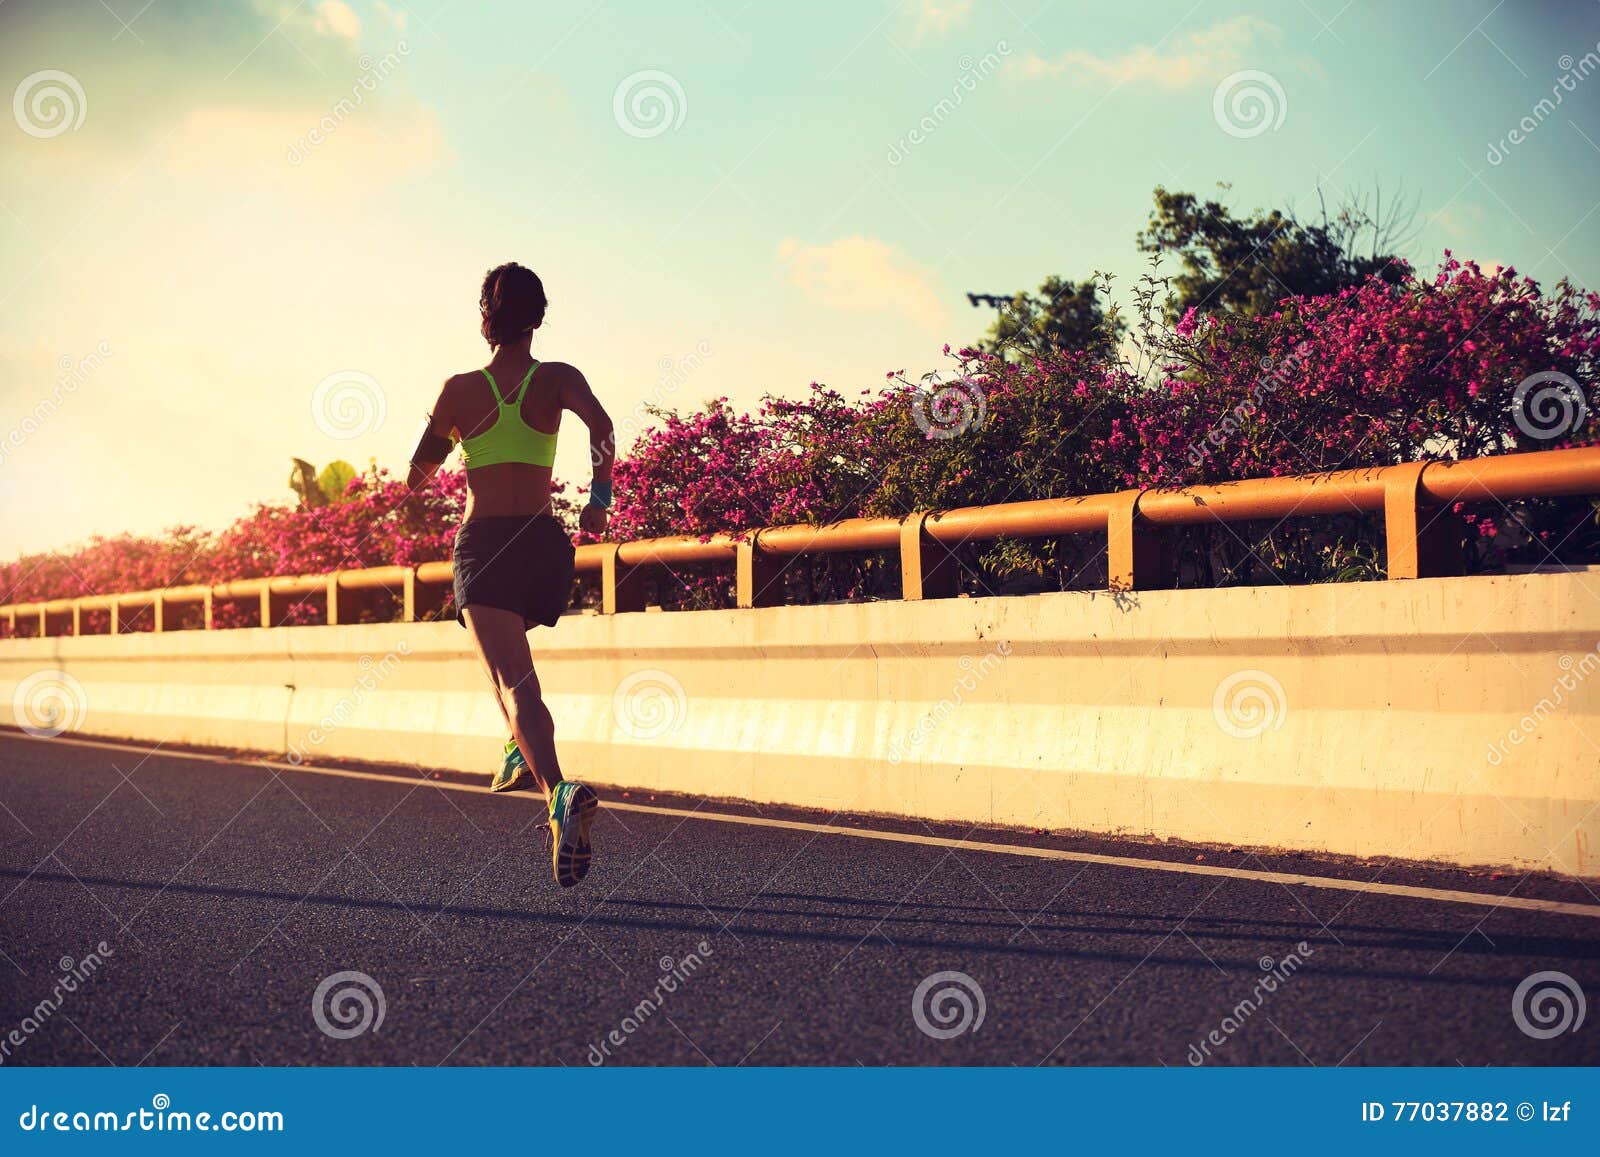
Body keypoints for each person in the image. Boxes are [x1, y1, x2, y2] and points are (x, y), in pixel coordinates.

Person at [406, 261, 614, 888]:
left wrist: (438, 465)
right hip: (544, 545)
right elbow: (602, 427)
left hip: (487, 543)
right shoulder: (559, 378)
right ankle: (516, 747)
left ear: (485, 318)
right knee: (507, 662)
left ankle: (558, 792)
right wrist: (599, 499)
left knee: (515, 681)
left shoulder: (459, 389)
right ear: (538, 317)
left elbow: (419, 473)